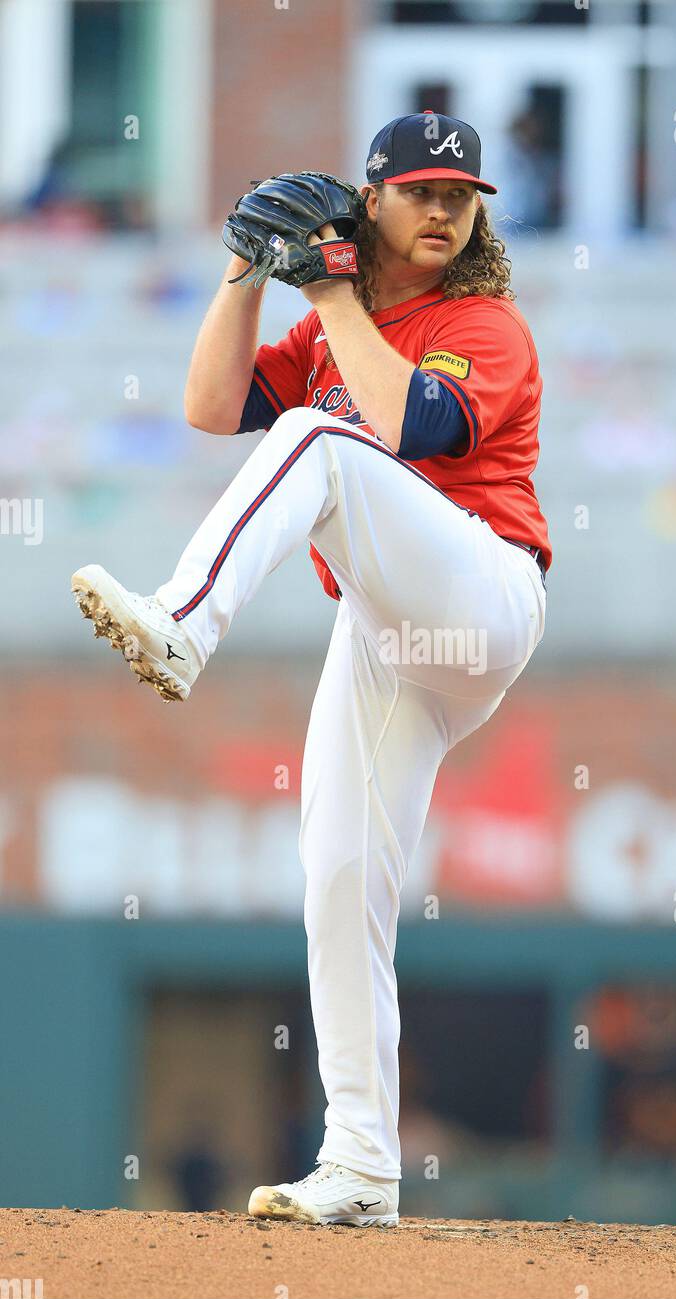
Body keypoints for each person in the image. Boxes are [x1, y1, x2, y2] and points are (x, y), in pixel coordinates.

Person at [71, 112, 551, 1227]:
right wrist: (244, 274)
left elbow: (417, 425)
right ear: (369, 200)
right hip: (387, 630)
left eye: (460, 193)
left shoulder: (482, 322)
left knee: (321, 440)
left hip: (480, 597)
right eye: (419, 190)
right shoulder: (329, 329)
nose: (443, 209)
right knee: (338, 879)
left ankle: (183, 621)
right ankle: (360, 1165)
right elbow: (209, 407)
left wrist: (330, 292)